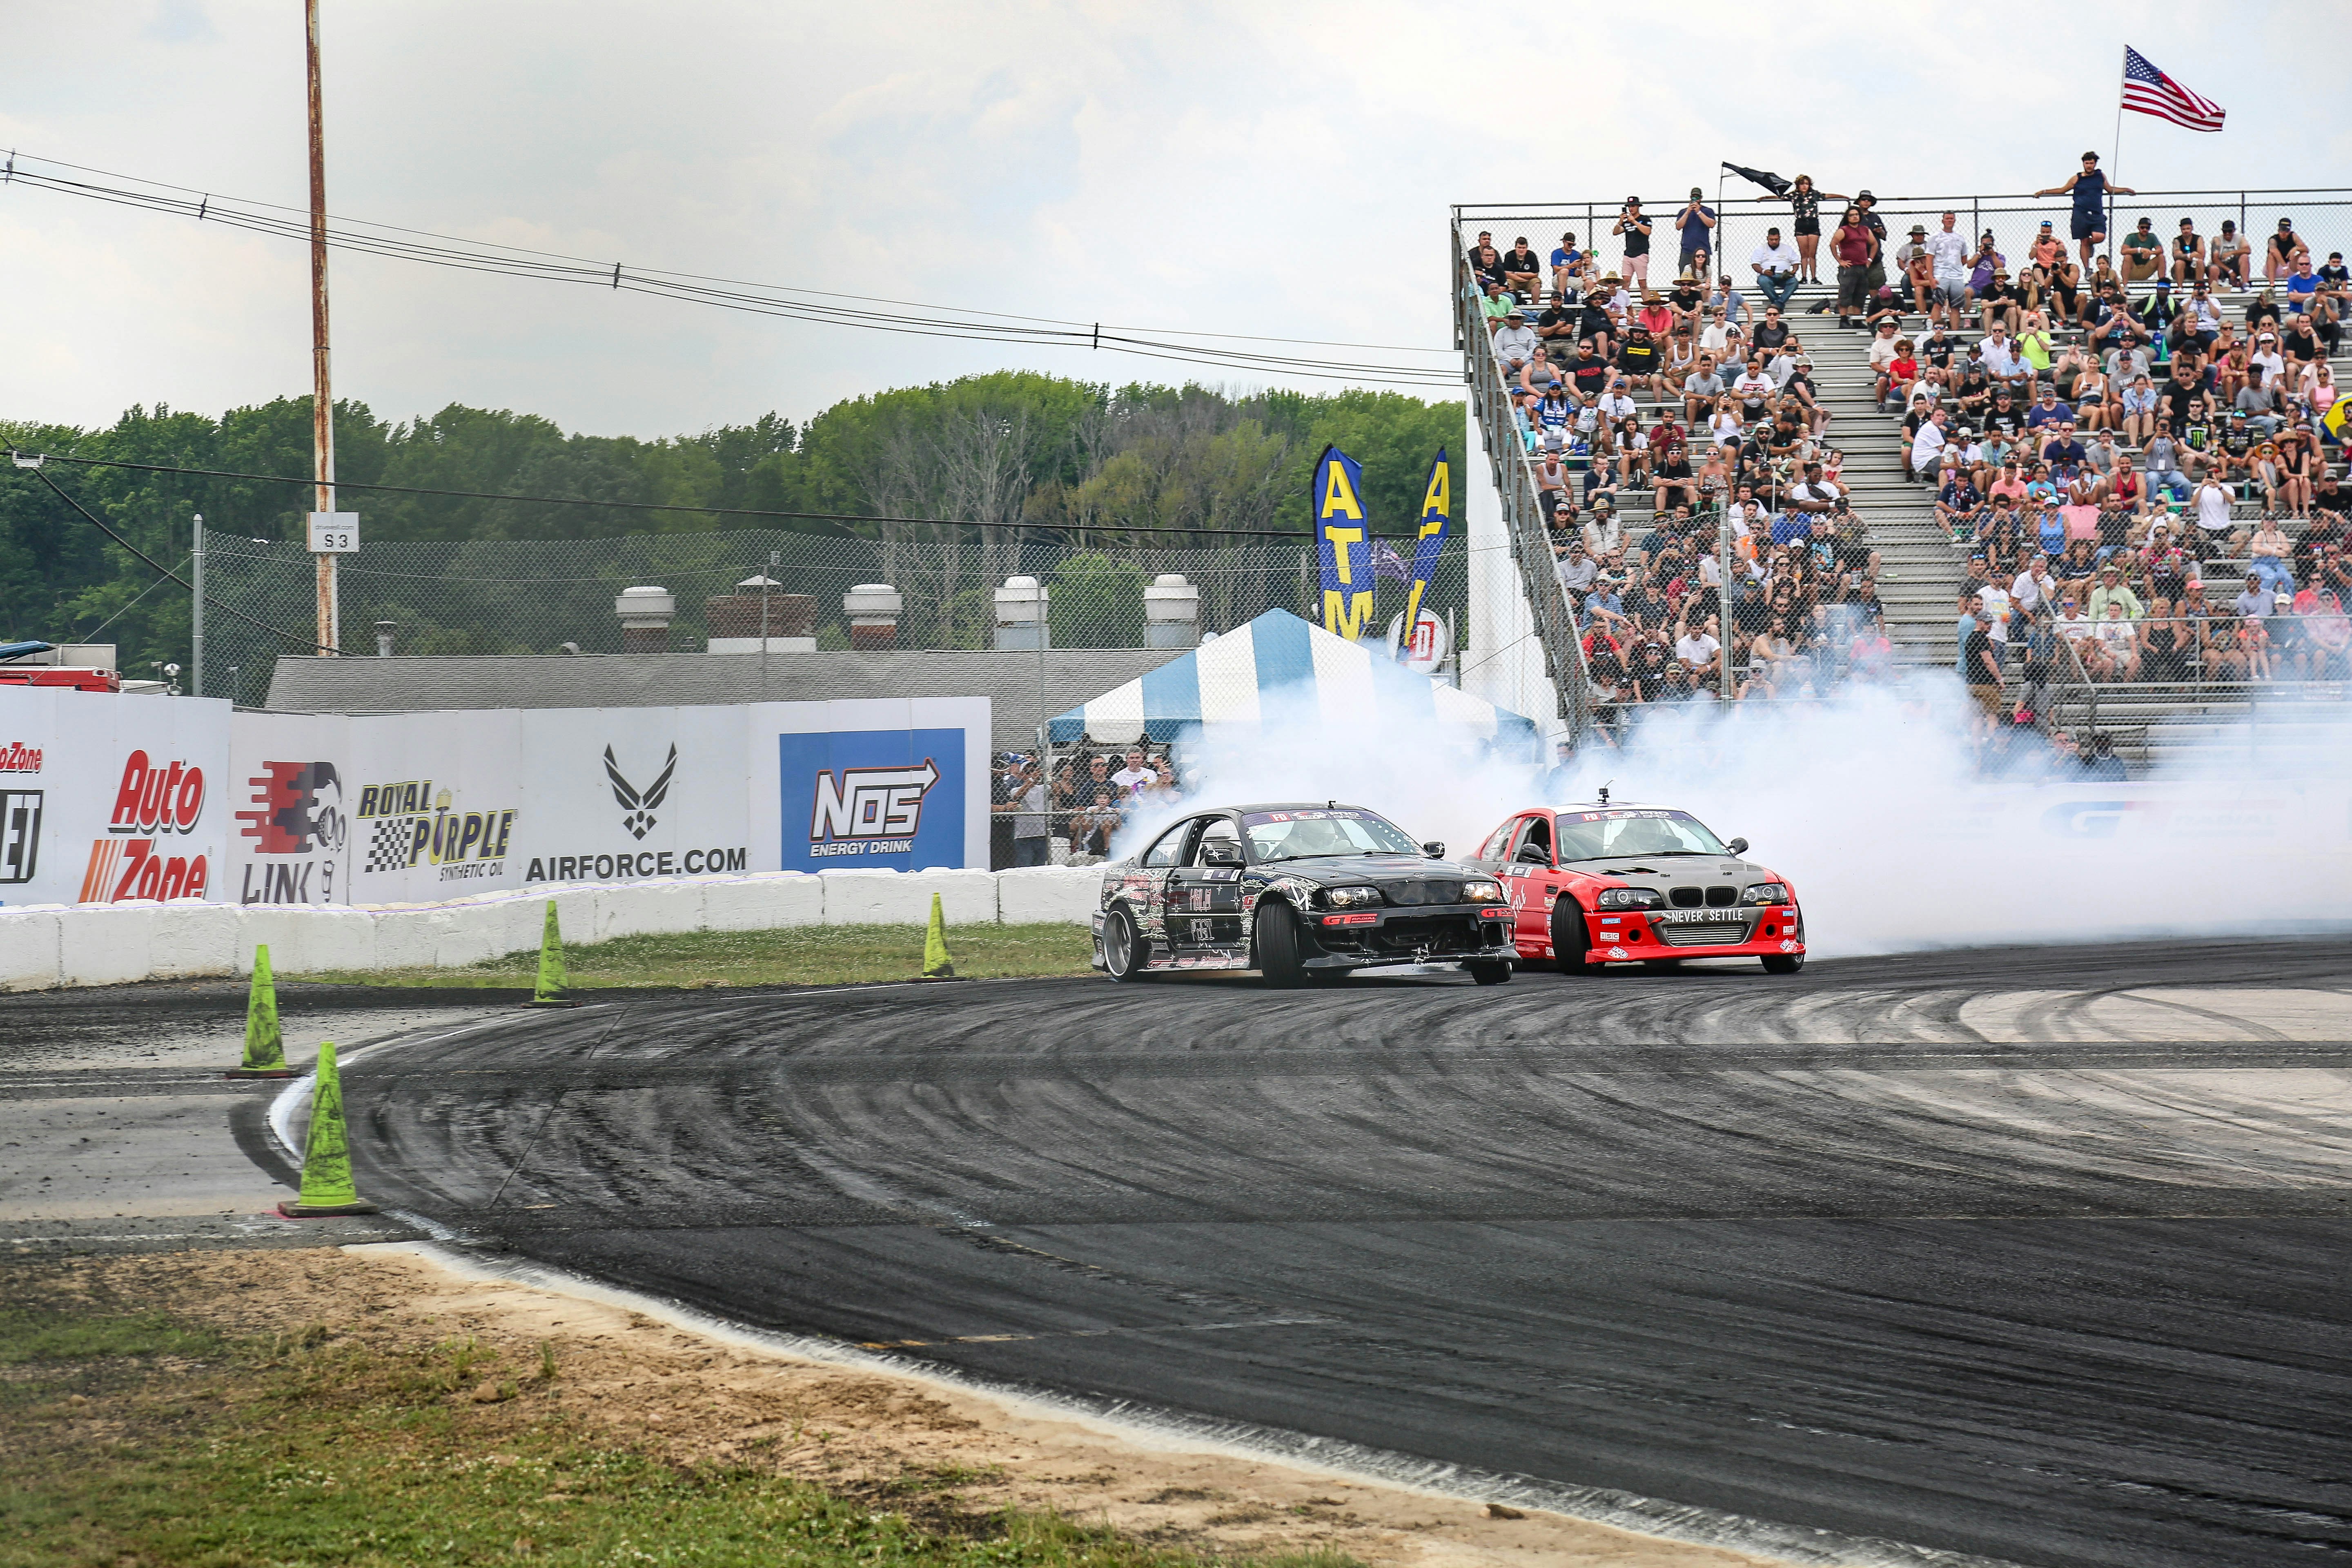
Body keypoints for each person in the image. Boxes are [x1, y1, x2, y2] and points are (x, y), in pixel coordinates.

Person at [2035, 151, 2134, 269]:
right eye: (2087, 163)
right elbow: (2063, 190)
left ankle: (2091, 244)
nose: (2089, 166)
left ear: (2095, 164)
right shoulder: (2077, 178)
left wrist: (2126, 190)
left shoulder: (2100, 176)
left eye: (2091, 163)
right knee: (2084, 241)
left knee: (2099, 237)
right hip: (2080, 213)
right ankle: (2087, 269)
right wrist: (2044, 192)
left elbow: (2109, 189)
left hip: (2096, 213)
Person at [1831, 205, 1875, 327]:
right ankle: (1844, 320)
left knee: (1861, 294)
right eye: (1851, 215)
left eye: (1856, 214)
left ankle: (1857, 320)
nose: (1855, 217)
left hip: (1863, 267)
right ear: (1847, 217)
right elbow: (1833, 244)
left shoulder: (1866, 230)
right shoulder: (1843, 230)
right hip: (1849, 268)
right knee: (1846, 293)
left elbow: (1874, 244)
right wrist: (1840, 261)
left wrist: (1870, 259)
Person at [1751, 227, 1801, 310]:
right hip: (1767, 276)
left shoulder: (1787, 248)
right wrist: (1764, 271)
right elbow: (1755, 264)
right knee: (1763, 281)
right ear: (1768, 239)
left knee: (1794, 282)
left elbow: (1796, 262)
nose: (1774, 242)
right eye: (1772, 239)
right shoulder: (1760, 249)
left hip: (1784, 276)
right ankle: (1778, 305)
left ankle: (1777, 304)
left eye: (1776, 239)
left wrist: (1794, 271)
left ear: (1780, 238)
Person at [1675, 187, 1716, 278]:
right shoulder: (1683, 212)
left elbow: (1711, 224)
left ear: (1701, 198)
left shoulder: (1708, 211)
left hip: (1703, 249)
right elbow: (1679, 226)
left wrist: (1699, 212)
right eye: (1693, 197)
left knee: (1703, 276)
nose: (1695, 199)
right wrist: (1688, 212)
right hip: (1687, 249)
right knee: (1685, 275)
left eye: (1697, 197)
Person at [1613, 197, 1653, 288]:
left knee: (1642, 283)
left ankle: (1647, 301)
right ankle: (1625, 302)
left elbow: (1647, 232)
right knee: (1625, 281)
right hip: (1628, 254)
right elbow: (1616, 232)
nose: (1631, 209)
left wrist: (1634, 222)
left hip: (1641, 254)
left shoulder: (1645, 219)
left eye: (1633, 206)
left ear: (1638, 206)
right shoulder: (1627, 222)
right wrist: (1620, 222)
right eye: (1629, 207)